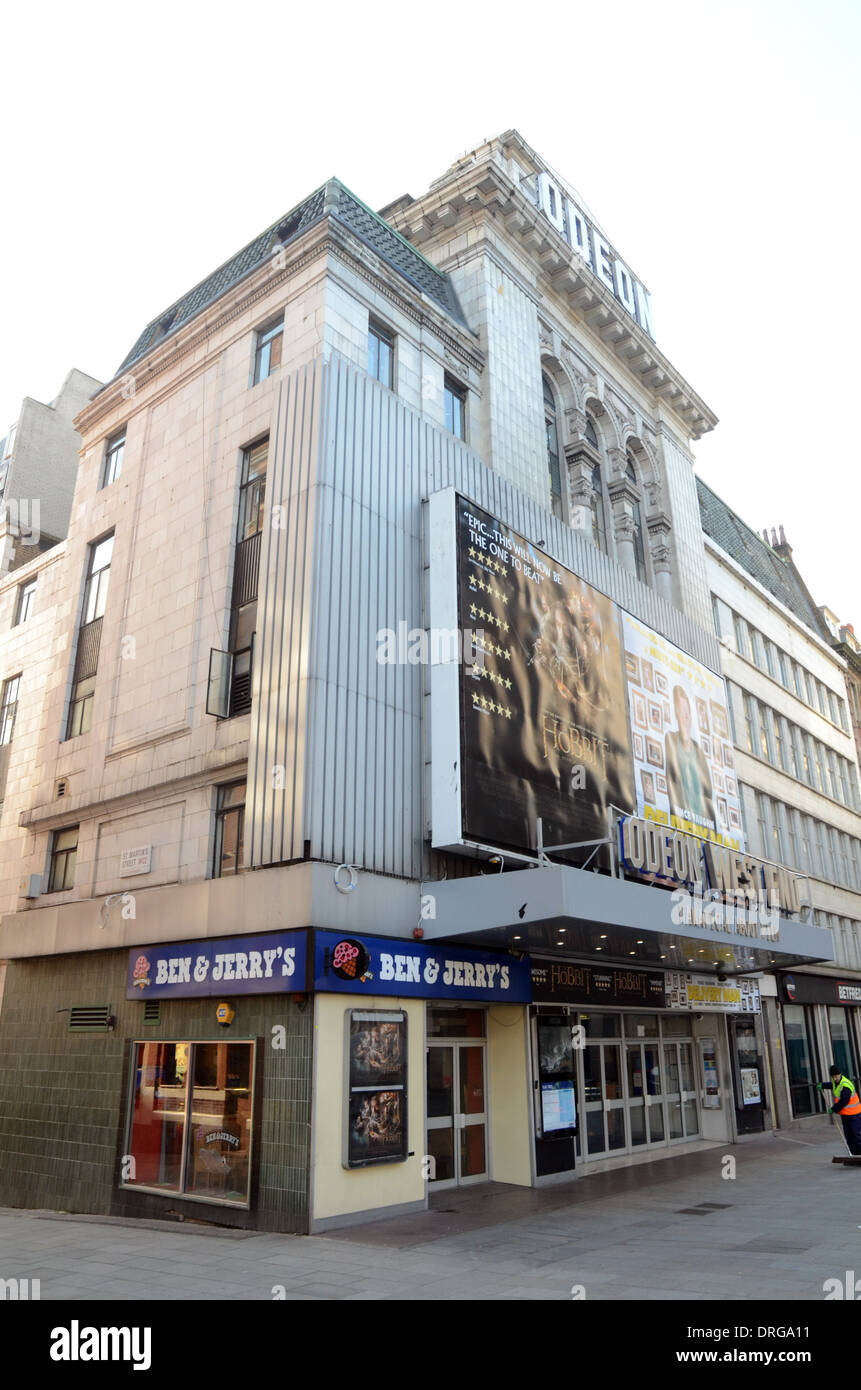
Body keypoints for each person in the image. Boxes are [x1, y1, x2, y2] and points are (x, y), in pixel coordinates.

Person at [665, 685, 715, 827]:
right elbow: (670, 781)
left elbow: (708, 795)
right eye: (681, 712)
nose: (686, 717)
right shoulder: (670, 740)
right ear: (676, 714)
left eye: (687, 711)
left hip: (703, 827)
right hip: (681, 825)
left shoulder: (699, 751)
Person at [819, 1063, 861, 1155]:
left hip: (854, 1114)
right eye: (833, 1077)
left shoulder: (846, 1085)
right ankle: (854, 1154)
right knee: (848, 1135)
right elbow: (832, 1085)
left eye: (836, 1076)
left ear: (840, 1074)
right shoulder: (835, 1082)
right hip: (845, 1114)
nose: (834, 1078)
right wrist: (823, 1085)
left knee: (855, 1134)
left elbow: (844, 1101)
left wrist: (833, 1109)